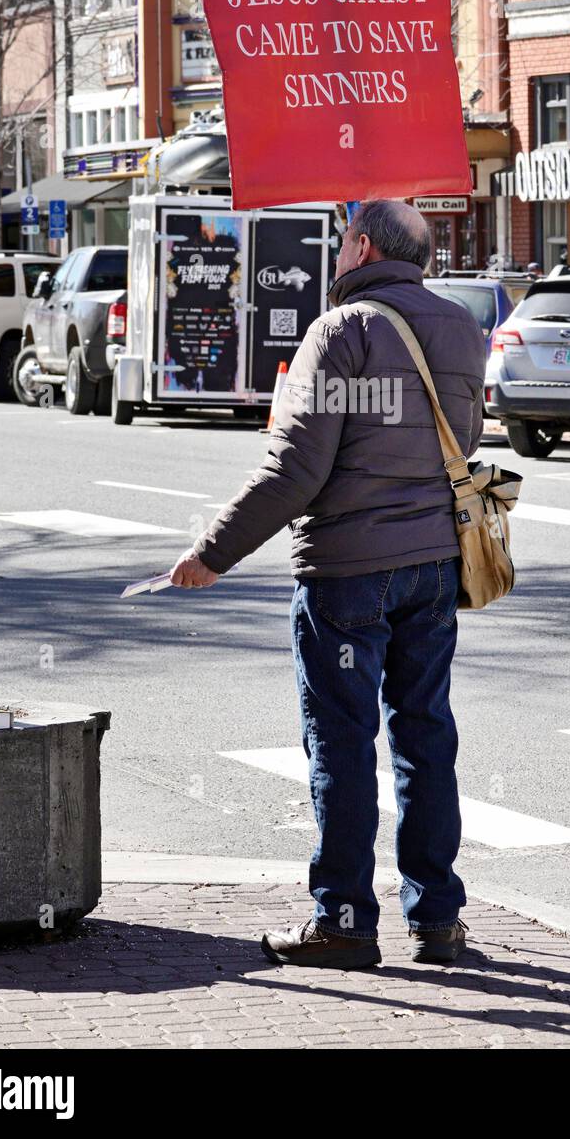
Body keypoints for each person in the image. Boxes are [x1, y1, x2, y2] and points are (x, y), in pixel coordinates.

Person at [170, 199, 487, 970]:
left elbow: (297, 469)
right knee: (426, 735)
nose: (336, 254)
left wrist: (213, 552)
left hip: (347, 572)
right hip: (437, 564)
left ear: (361, 246)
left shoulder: (340, 332)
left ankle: (344, 922)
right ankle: (438, 921)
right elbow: (462, 441)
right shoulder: (461, 328)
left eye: (342, 240)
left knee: (342, 746)